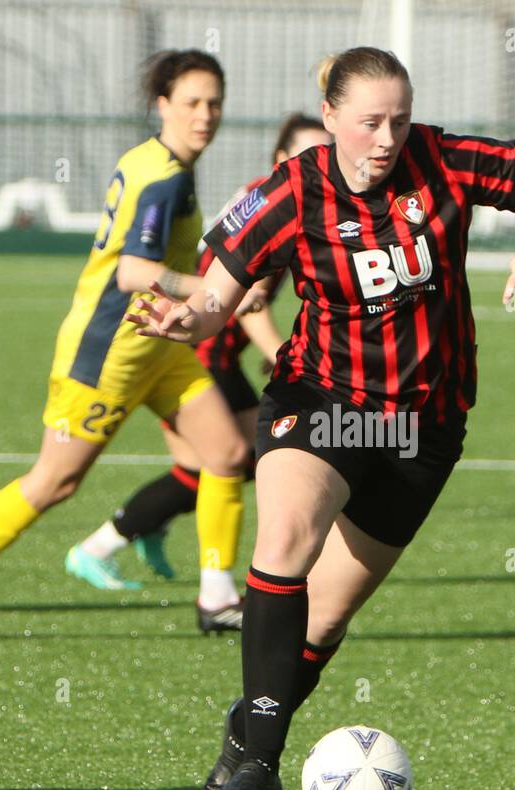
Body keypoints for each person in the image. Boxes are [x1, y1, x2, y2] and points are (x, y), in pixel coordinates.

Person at [128, 46, 515, 790]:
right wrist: (191, 317)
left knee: (326, 618)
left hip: (424, 425)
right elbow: (218, 294)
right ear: (332, 120)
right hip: (322, 400)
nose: (388, 138)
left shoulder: (445, 160)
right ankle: (259, 770)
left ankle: (246, 733)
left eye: (400, 120)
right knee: (284, 539)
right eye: (371, 122)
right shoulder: (290, 190)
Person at [0, 49, 253, 638]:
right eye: (193, 102)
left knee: (225, 454)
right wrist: (216, 289)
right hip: (110, 355)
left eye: (215, 103)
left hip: (158, 346)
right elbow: (132, 270)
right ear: (163, 103)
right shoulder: (165, 177)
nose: (206, 114)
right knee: (55, 482)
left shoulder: (157, 160)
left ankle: (218, 597)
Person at [66, 114, 331, 594]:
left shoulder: (272, 193)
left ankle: (135, 539)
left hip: (218, 352)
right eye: (308, 154)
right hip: (201, 348)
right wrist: (281, 353)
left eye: (326, 153)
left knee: (233, 460)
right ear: (280, 159)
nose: (321, 164)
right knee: (232, 459)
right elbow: (246, 301)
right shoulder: (281, 208)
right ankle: (107, 548)